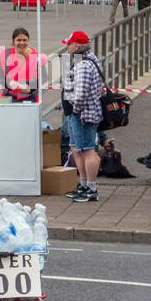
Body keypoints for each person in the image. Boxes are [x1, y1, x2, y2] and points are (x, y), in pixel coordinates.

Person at [61, 30, 104, 203]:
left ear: (77, 45)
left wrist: (76, 110)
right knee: (76, 149)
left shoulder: (84, 65)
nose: (67, 46)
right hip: (78, 114)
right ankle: (84, 185)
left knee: (87, 150)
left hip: (82, 114)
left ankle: (91, 189)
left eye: (69, 43)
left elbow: (81, 94)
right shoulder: (86, 61)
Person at [0, 27, 47, 103]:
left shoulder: (36, 56)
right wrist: (15, 85)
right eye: (18, 40)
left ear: (28, 41)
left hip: (29, 97)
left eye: (24, 40)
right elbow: (0, 77)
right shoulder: (5, 54)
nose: (22, 43)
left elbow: (44, 77)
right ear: (13, 42)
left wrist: (29, 87)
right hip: (9, 96)